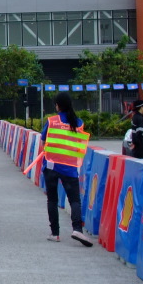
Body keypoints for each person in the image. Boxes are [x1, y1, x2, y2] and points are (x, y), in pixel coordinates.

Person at [40, 92, 92, 246]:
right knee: (75, 200)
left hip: (51, 166)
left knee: (52, 199)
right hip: (70, 168)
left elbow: (43, 141)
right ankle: (77, 229)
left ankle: (55, 233)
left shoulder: (52, 121)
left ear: (57, 105)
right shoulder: (79, 123)